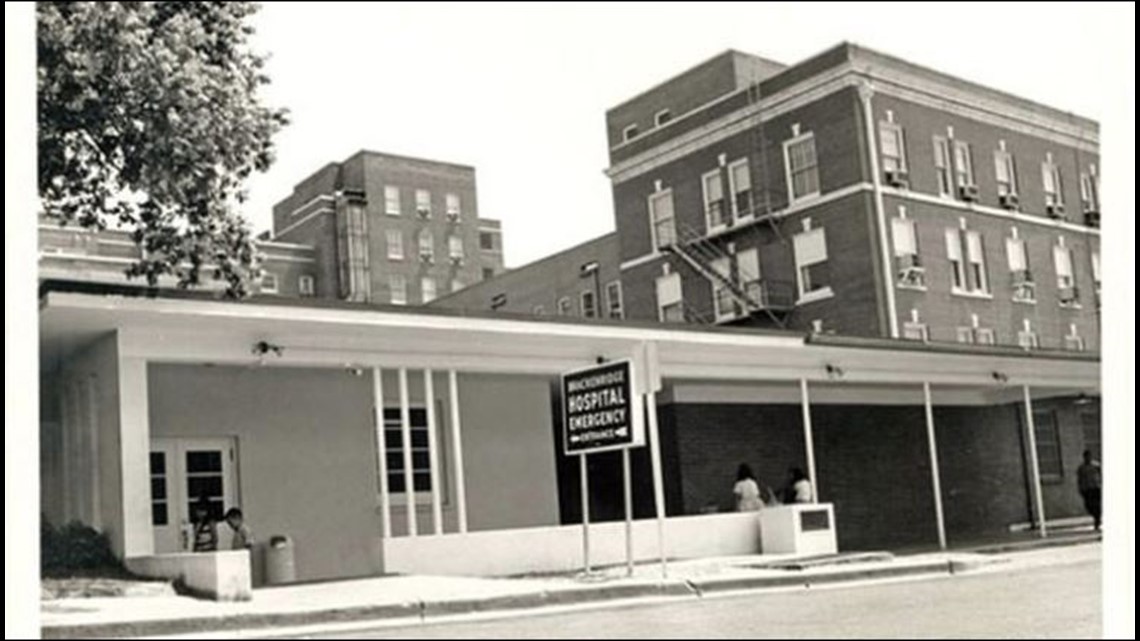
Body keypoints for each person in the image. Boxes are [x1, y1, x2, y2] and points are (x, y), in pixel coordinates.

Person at [1076, 449, 1101, 531]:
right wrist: (1080, 488)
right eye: (1086, 457)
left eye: (1089, 456)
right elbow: (1079, 479)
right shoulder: (1081, 468)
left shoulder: (1096, 466)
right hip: (1087, 489)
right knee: (1088, 506)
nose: (1088, 458)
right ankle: (1096, 516)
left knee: (1097, 505)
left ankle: (1097, 520)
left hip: (1096, 488)